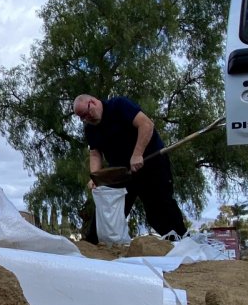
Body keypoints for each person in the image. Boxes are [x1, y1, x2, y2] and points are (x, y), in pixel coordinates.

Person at [73, 94, 188, 240]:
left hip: (151, 163)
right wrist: (95, 177)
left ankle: (181, 240)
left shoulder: (119, 105)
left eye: (86, 113)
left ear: (93, 102)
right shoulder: (90, 129)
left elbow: (146, 124)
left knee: (159, 211)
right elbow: (95, 153)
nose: (86, 118)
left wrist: (137, 154)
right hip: (122, 172)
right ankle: (94, 242)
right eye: (82, 117)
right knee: (109, 205)